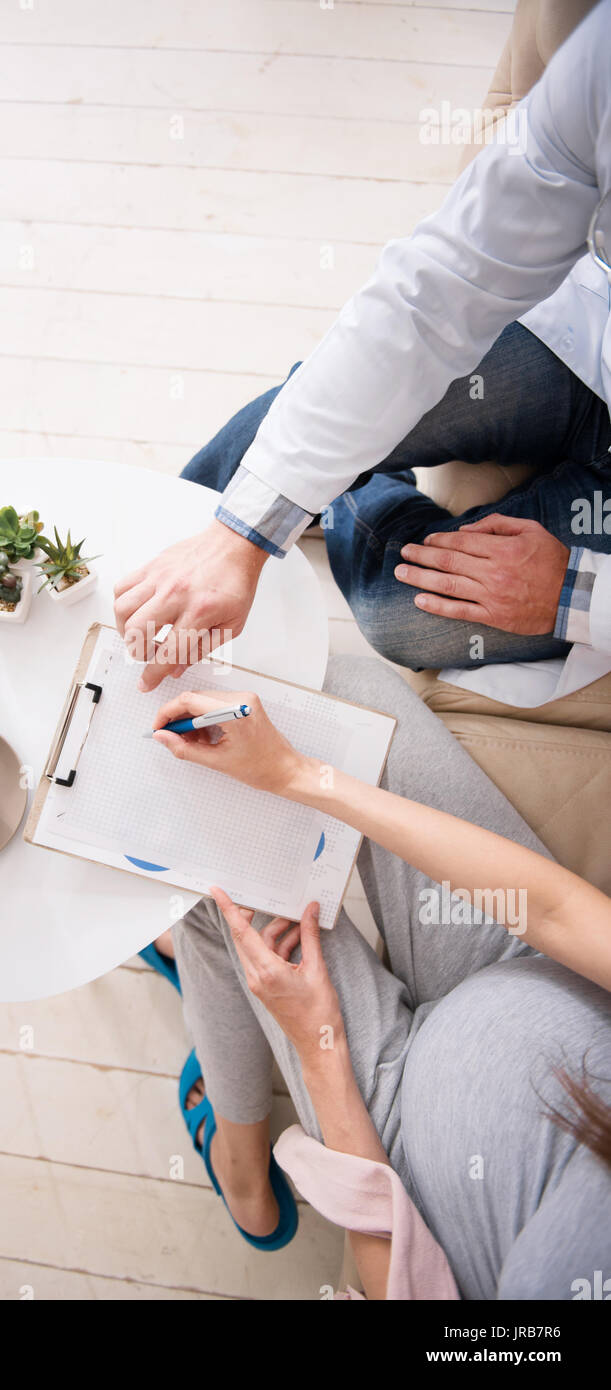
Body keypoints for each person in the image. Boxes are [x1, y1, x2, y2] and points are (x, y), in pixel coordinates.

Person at [113, 1, 611, 709]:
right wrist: (239, 534)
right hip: (588, 343)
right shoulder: (602, 60)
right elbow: (443, 280)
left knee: (394, 612)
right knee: (263, 449)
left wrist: (581, 595)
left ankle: (343, 482)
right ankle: (234, 530)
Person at [151, 656, 611, 1298]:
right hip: (525, 969)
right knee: (344, 701)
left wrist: (318, 1046)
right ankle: (201, 959)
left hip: (405, 1154)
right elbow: (561, 914)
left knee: (221, 887)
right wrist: (299, 775)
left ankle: (244, 1172)